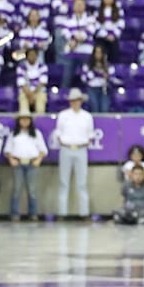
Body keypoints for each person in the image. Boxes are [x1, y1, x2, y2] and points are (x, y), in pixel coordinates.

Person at [56, 88, 94, 219]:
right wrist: (62, 141)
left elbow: (90, 133)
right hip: (66, 148)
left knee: (82, 182)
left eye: (77, 100)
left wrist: (85, 142)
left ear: (81, 101)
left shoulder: (87, 116)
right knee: (63, 182)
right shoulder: (63, 115)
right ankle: (62, 213)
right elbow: (58, 132)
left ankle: (84, 212)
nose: (75, 102)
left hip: (81, 148)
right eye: (73, 100)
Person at [4, 113, 46, 221]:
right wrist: (11, 159)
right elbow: (7, 150)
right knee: (17, 188)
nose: (24, 122)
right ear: (18, 121)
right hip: (18, 163)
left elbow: (43, 150)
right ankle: (15, 213)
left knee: (32, 189)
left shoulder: (36, 134)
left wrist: (39, 159)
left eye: (27, 119)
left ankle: (33, 213)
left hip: (32, 163)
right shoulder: (14, 134)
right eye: (22, 119)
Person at [16, 47, 48, 115]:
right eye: (30, 55)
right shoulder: (21, 67)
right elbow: (21, 84)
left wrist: (33, 95)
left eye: (34, 55)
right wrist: (29, 95)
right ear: (26, 56)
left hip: (39, 92)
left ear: (37, 56)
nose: (32, 57)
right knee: (23, 108)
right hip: (25, 93)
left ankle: (40, 123)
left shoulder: (42, 66)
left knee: (40, 108)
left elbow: (42, 83)